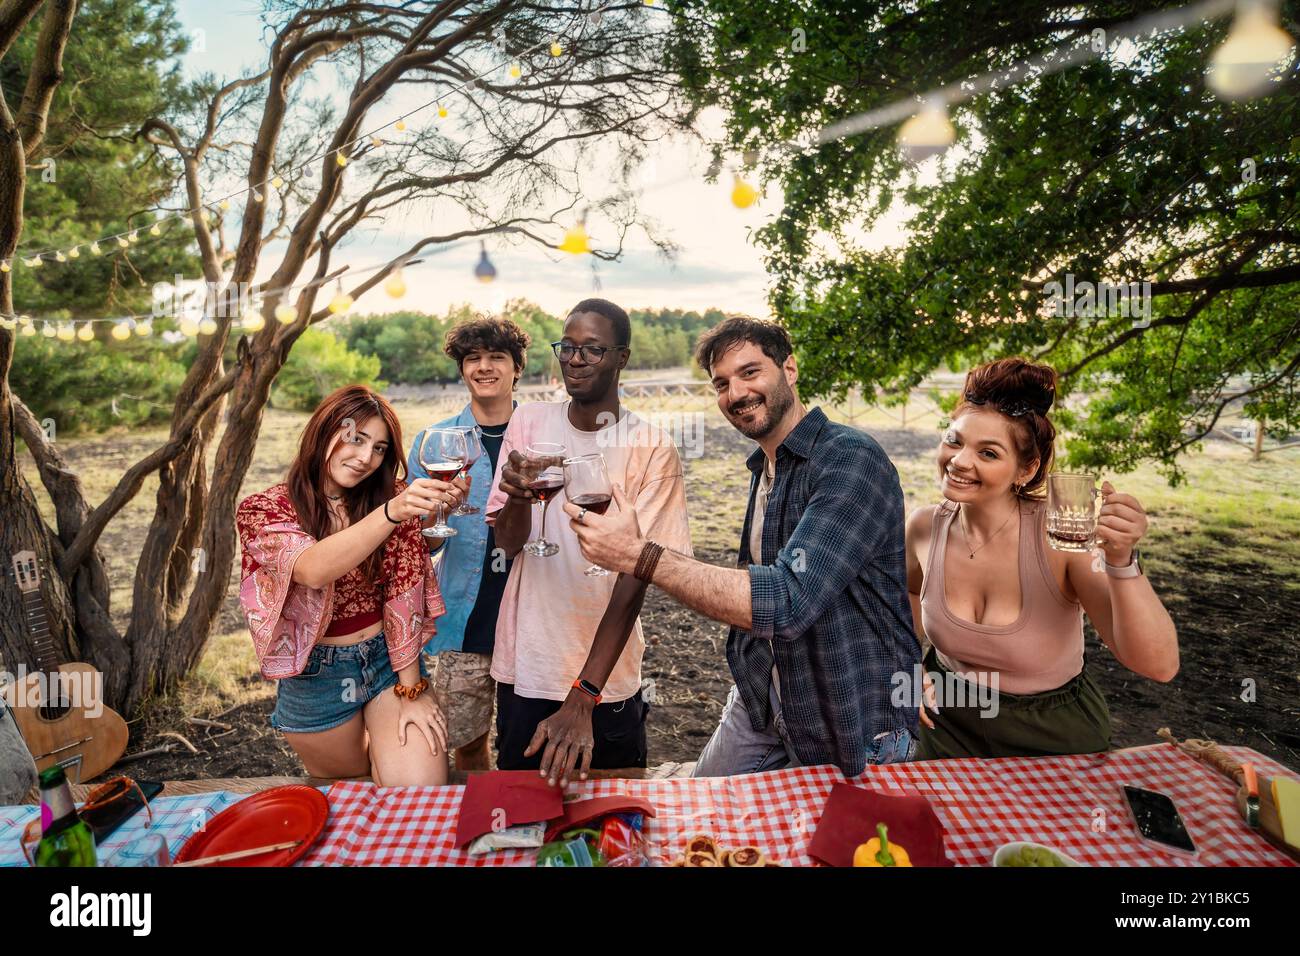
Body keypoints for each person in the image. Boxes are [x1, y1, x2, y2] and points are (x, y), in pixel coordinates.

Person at [565, 316, 920, 778]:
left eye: (750, 372)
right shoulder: (766, 465)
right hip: (764, 703)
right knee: (706, 823)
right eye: (721, 384)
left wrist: (639, 556)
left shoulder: (849, 460)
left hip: (852, 720)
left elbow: (787, 602)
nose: (736, 394)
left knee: (839, 849)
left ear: (789, 370)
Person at [903, 358, 1179, 759]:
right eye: (954, 440)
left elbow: (1158, 665)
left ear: (1026, 469)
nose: (960, 461)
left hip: (1053, 740)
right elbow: (905, 606)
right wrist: (909, 666)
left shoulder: (1061, 539)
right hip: (946, 727)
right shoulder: (924, 527)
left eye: (989, 453)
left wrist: (1121, 560)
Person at [486, 298, 691, 785]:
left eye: (592, 350)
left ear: (621, 357)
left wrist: (585, 694)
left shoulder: (652, 447)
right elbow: (508, 543)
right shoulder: (529, 423)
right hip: (528, 666)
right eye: (568, 347)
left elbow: (638, 575)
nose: (574, 360)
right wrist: (516, 496)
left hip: (607, 681)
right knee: (523, 817)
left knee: (612, 822)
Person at [236, 384, 464, 785]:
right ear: (323, 431)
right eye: (355, 439)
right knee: (352, 788)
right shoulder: (264, 509)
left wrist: (411, 688)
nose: (365, 458)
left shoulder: (388, 495)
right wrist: (393, 513)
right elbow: (311, 568)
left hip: (388, 661)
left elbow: (405, 583)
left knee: (418, 791)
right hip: (317, 675)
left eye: (379, 448)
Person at [408, 316, 528, 772]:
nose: (484, 367)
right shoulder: (435, 442)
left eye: (496, 357)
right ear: (462, 370)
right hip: (465, 620)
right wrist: (435, 513)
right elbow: (415, 537)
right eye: (472, 358)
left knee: (527, 745)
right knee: (468, 746)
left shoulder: (543, 435)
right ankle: (481, 829)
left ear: (517, 368)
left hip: (532, 619)